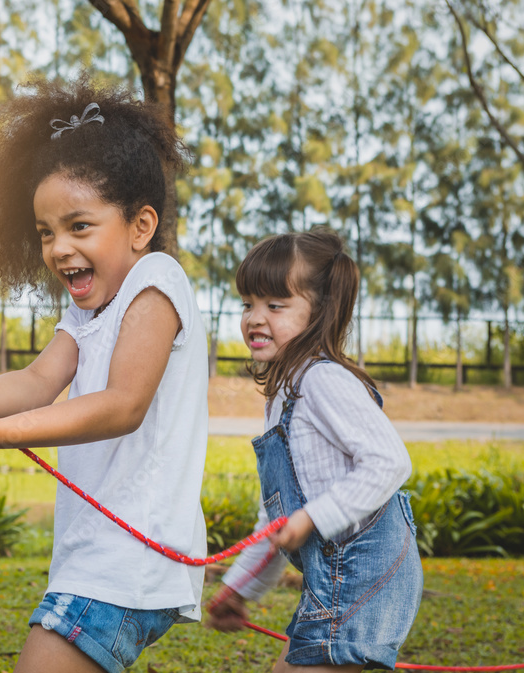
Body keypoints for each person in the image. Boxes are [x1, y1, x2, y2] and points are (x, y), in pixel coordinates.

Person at [0, 76, 209, 673]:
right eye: (47, 232)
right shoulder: (89, 308)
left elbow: (123, 404)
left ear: (140, 227)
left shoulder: (156, 283)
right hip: (98, 558)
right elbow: (40, 378)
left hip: (126, 560)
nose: (57, 248)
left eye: (79, 226)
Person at [207, 228, 423, 672]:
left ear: (319, 311)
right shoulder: (283, 396)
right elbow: (278, 520)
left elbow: (390, 461)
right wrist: (240, 586)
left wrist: (313, 517)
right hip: (334, 580)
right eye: (248, 303)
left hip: (361, 576)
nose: (254, 317)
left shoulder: (321, 380)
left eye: (275, 305)